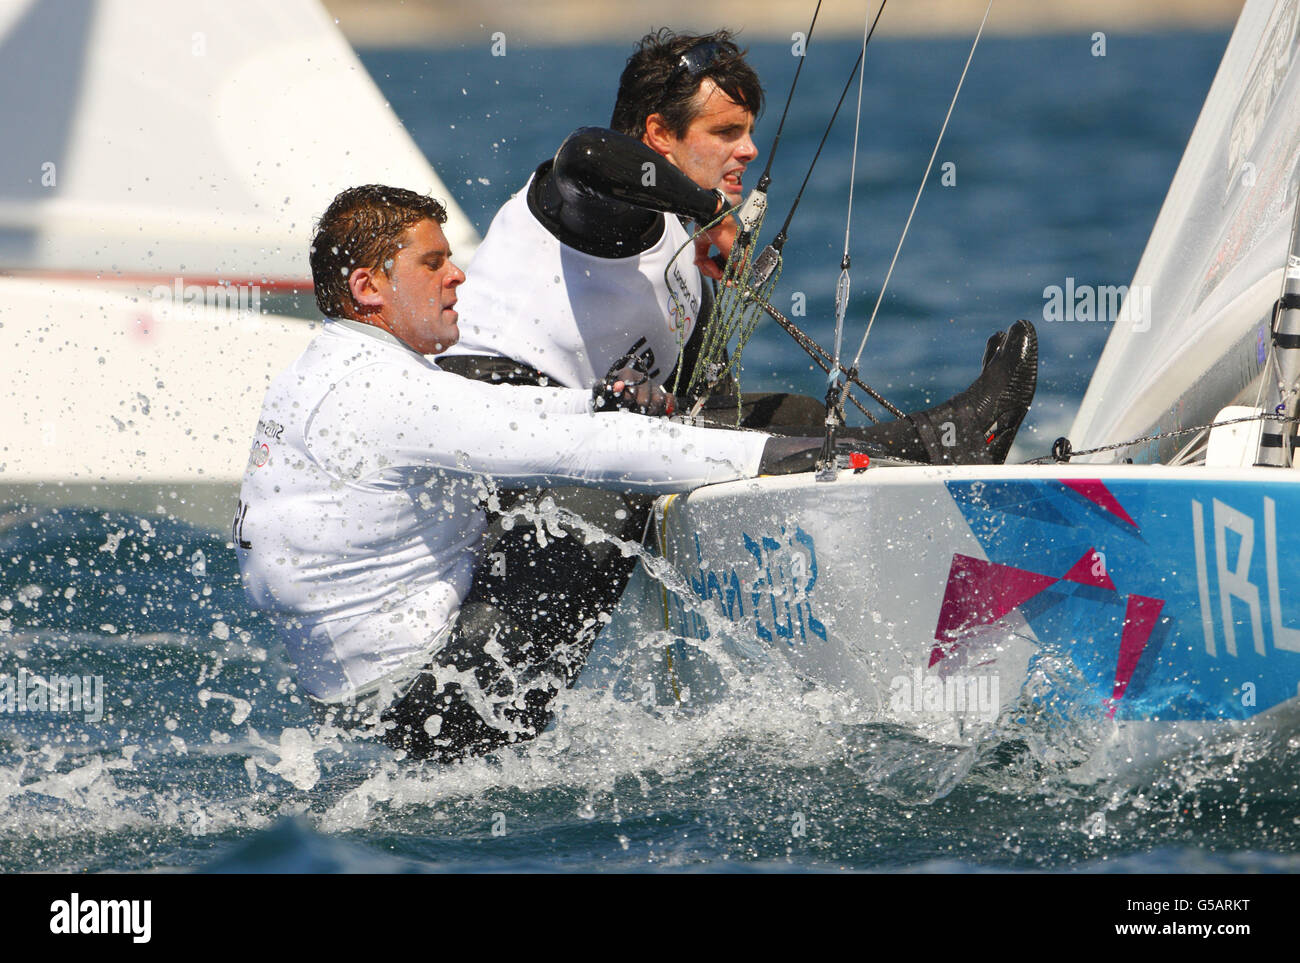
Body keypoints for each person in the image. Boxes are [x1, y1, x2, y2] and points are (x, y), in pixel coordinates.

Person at [235, 184, 902, 761]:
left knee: (577, 463)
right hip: (440, 713)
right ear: (367, 288)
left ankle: (860, 442)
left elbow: (488, 411)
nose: (456, 276)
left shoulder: (319, 374)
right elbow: (579, 449)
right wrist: (773, 460)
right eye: (432, 263)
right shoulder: (389, 391)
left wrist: (595, 398)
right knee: (600, 486)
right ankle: (852, 458)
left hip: (358, 715)